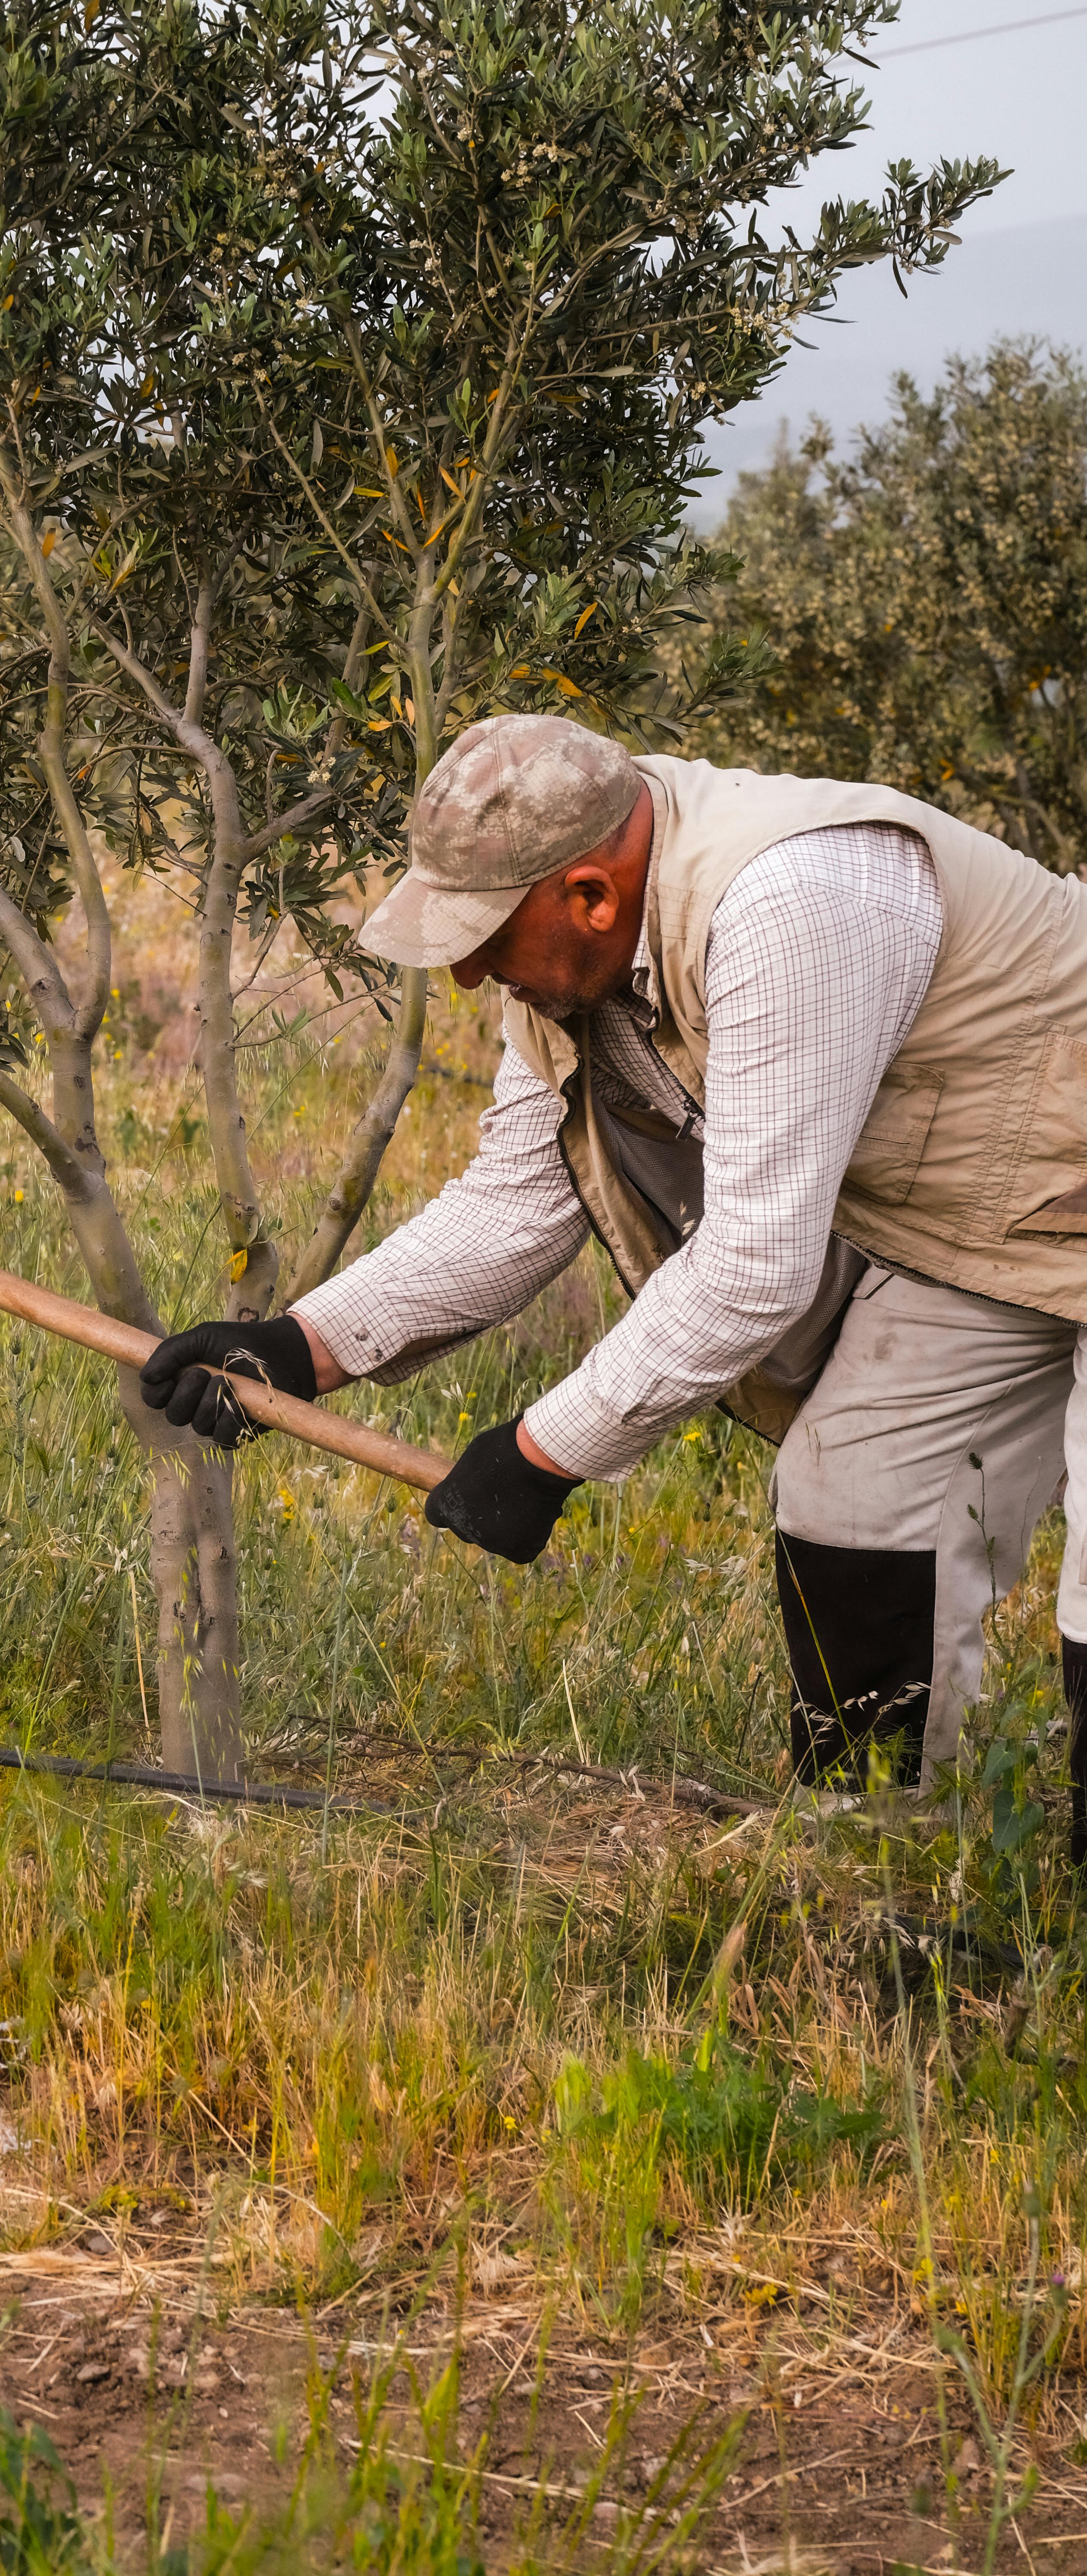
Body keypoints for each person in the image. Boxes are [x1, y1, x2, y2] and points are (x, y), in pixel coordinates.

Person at [139, 714, 1087, 1838]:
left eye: (487, 939)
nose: (467, 971)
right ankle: (895, 1869)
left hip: (1045, 1174)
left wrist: (542, 1455)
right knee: (852, 1499)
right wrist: (299, 1348)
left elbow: (751, 1270)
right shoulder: (566, 970)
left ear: (588, 895)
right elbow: (516, 1200)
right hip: (985, 1226)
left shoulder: (790, 903)